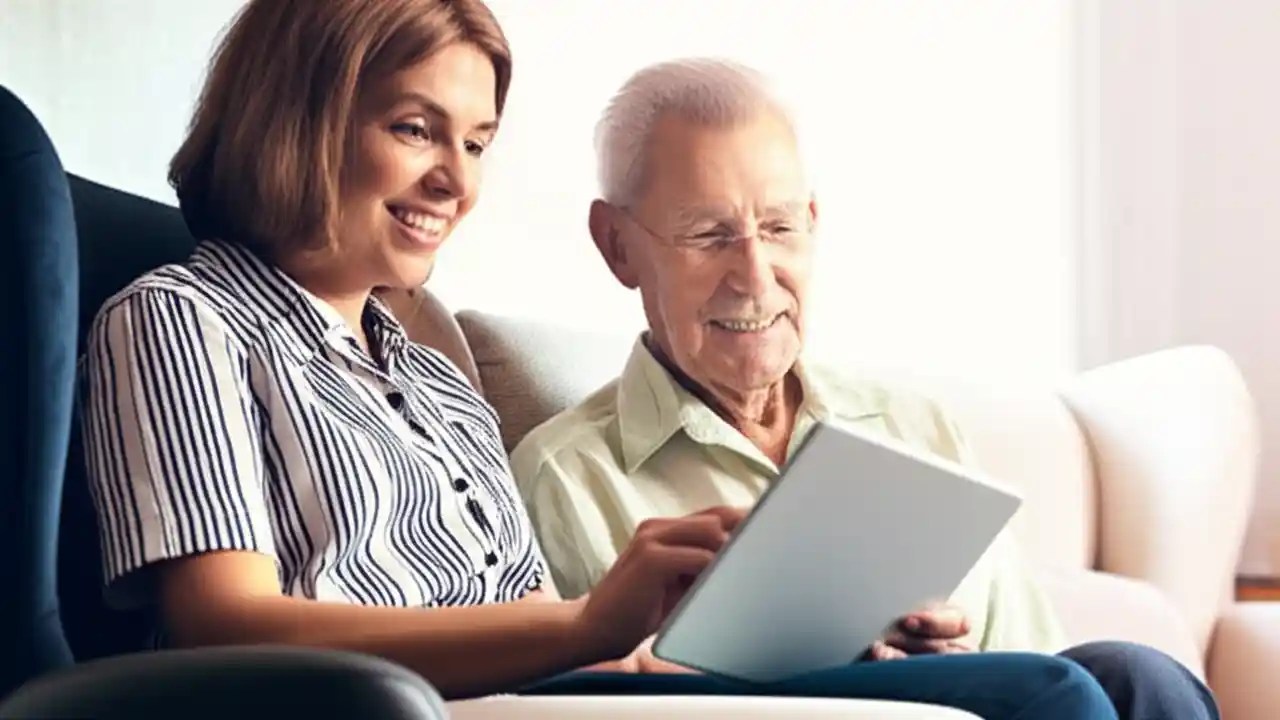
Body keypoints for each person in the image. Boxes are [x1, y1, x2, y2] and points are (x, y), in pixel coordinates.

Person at [81, 1, 1118, 717]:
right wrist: (587, 622)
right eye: (415, 129)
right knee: (1049, 699)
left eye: (478, 143)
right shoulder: (185, 318)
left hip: (552, 700)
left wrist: (690, 633)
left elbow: (559, 639)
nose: (455, 180)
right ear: (295, 121)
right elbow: (225, 625)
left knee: (1109, 675)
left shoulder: (434, 375)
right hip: (401, 712)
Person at [510, 58, 1220, 720]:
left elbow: (1040, 666)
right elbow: (597, 700)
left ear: (813, 225)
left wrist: (948, 664)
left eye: (780, 227)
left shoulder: (915, 428)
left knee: (1140, 674)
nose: (756, 276)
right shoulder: (566, 475)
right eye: (709, 235)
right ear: (617, 245)